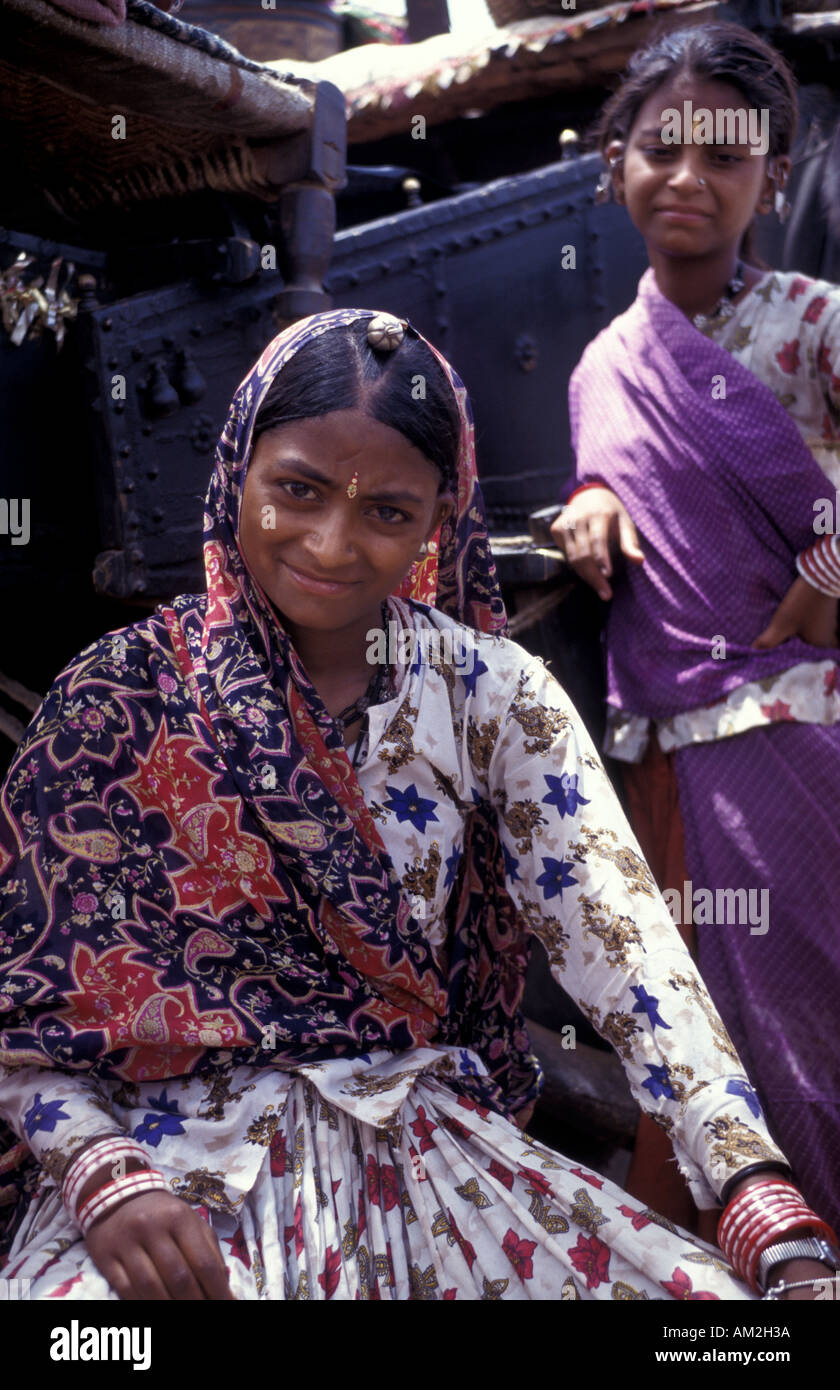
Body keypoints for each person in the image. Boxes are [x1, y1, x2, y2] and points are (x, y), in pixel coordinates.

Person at [0, 309, 835, 1301]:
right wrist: (101, 1173)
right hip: (163, 1185)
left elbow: (627, 947)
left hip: (423, 1155)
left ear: (443, 519)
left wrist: (749, 1176)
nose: (331, 543)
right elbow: (23, 1014)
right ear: (237, 473)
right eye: (296, 491)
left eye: (387, 512)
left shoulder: (488, 693)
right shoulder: (119, 695)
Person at [552, 23, 840, 1237]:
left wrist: (828, 565)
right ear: (616, 163)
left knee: (810, 1009)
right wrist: (591, 499)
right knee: (710, 1025)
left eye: (726, 158)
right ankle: (761, 1255)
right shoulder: (604, 364)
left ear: (771, 177)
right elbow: (622, 475)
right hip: (674, 748)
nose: (689, 177)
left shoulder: (816, 321)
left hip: (807, 731)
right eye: (662, 149)